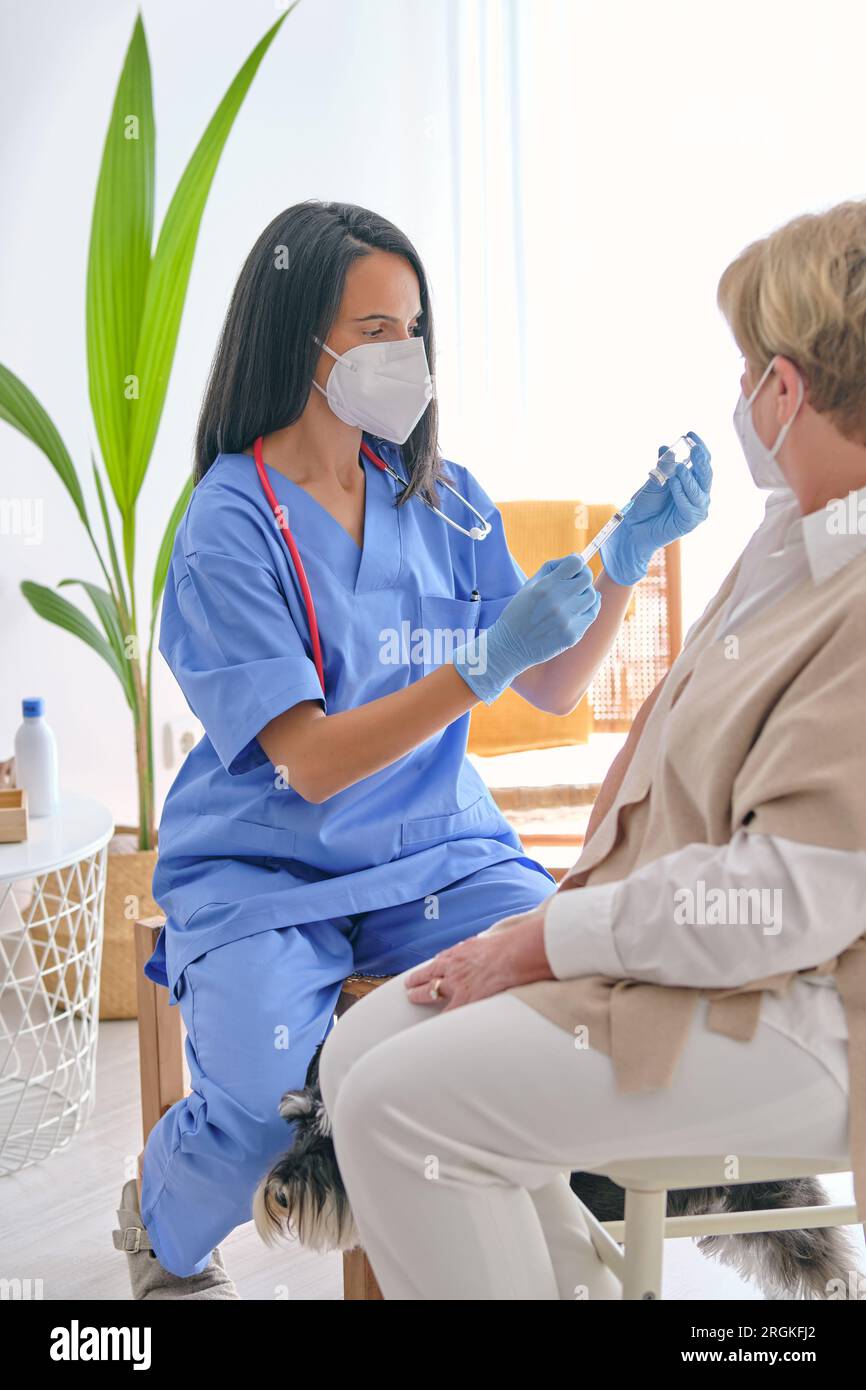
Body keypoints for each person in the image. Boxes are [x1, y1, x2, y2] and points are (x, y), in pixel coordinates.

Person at [111, 200, 710, 1296]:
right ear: (302, 341)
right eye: (376, 330)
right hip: (266, 870)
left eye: (413, 327)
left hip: (436, 856)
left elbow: (554, 679)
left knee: (568, 992)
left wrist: (625, 554)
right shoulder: (229, 522)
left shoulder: (440, 496)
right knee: (271, 1112)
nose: (406, 356)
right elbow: (314, 762)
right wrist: (472, 667)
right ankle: (158, 1213)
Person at [318, 198, 866, 1300]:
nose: (744, 397)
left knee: (394, 1108)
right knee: (351, 1056)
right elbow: (661, 721)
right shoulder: (793, 536)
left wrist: (543, 942)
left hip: (799, 1007)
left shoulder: (846, 578)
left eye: (750, 370)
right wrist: (560, 908)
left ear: (786, 389)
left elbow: (782, 903)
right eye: (372, 332)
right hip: (683, 948)